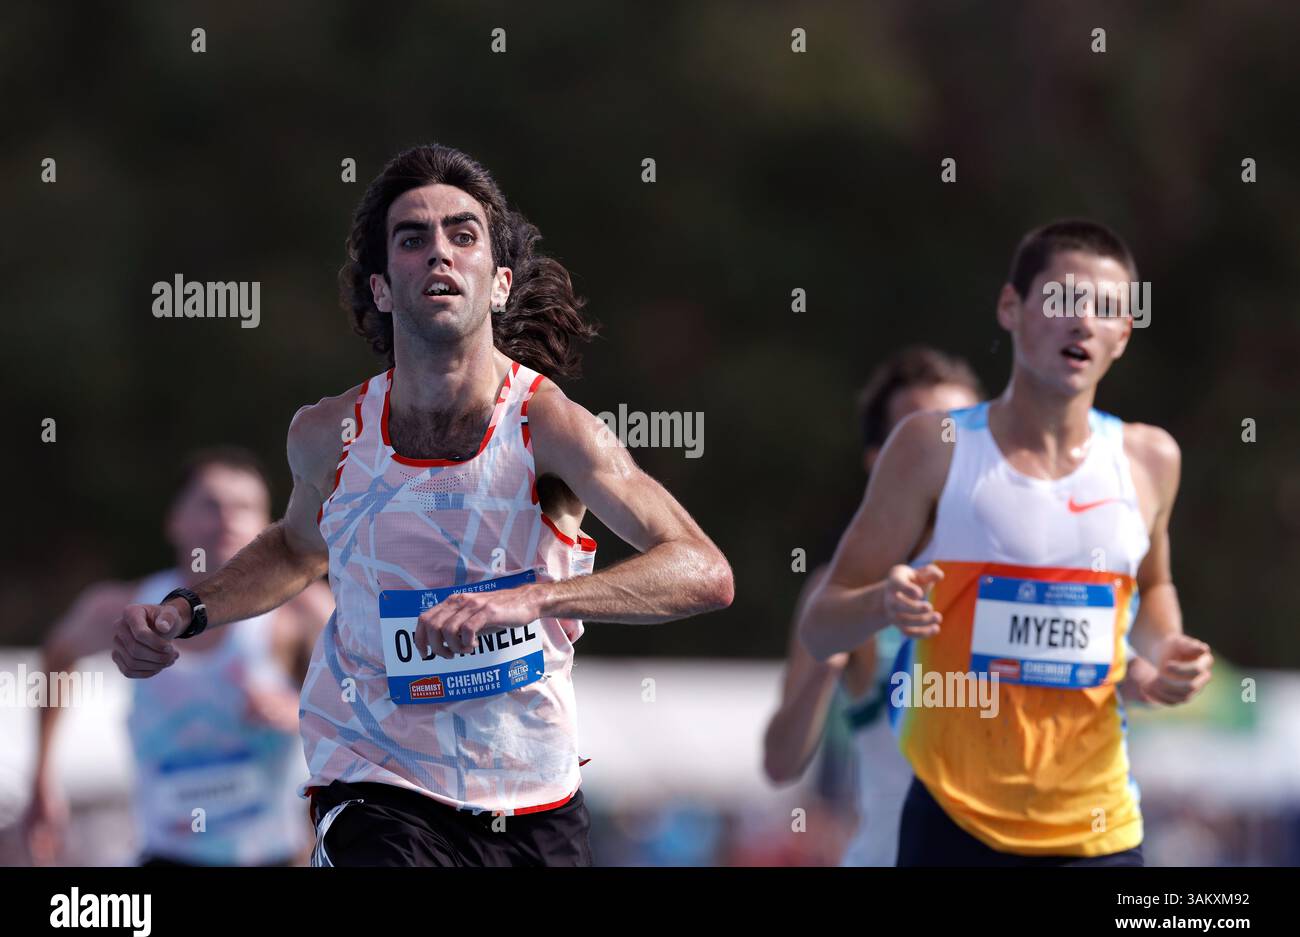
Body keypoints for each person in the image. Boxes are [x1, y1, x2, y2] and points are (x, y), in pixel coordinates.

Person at [111, 143, 735, 867]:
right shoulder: (328, 434)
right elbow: (295, 547)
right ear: (380, 287)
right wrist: (186, 610)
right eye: (413, 238)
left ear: (499, 283)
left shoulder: (551, 429)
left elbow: (703, 570)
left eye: (461, 234)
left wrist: (536, 598)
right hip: (376, 781)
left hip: (533, 797)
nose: (439, 252)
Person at [799, 220, 1214, 866]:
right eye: (1061, 299)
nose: (1082, 321)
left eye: (1105, 309)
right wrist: (884, 602)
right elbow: (823, 627)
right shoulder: (933, 449)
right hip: (955, 827)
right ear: (1010, 308)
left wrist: (1167, 651)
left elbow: (1152, 588)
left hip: (1098, 831)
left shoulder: (1149, 459)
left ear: (1123, 335)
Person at [26, 447, 332, 866]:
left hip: (274, 855)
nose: (227, 518)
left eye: (244, 507)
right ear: (174, 520)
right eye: (211, 504)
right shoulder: (124, 607)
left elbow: (367, 699)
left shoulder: (301, 610)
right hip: (166, 856)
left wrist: (302, 712)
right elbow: (55, 659)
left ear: (266, 529)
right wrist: (43, 776)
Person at [764, 346, 983, 866]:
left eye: (961, 433)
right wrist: (827, 657)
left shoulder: (1025, 573)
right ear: (878, 462)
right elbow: (780, 762)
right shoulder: (841, 594)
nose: (943, 452)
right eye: (918, 436)